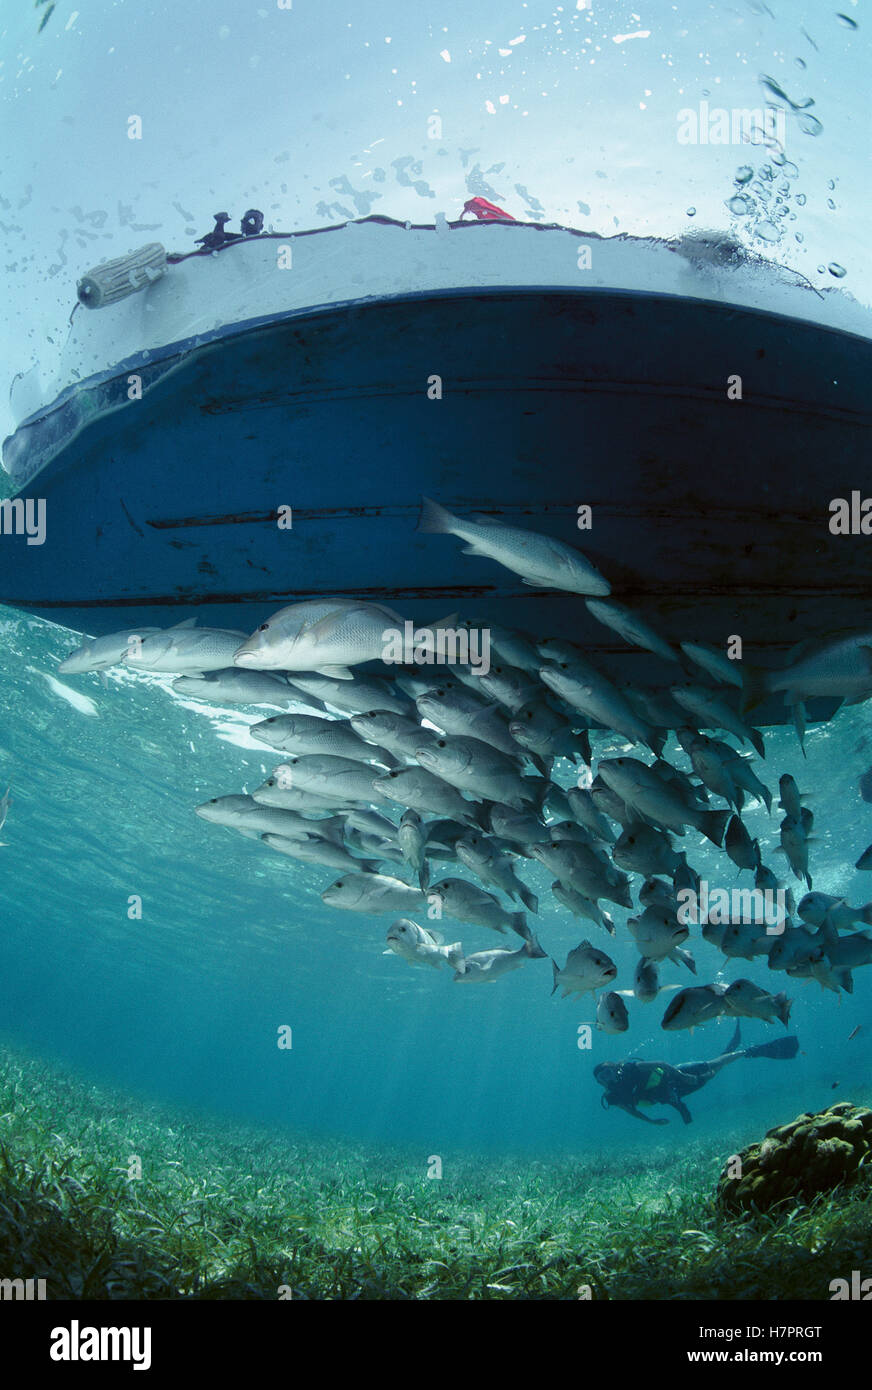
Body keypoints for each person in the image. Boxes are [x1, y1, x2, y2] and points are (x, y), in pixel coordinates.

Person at [593, 1023, 798, 1125]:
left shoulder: (631, 1068)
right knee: (712, 1074)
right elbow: (633, 1112)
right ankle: (734, 1053)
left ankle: (749, 1051)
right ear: (601, 1083)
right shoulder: (614, 1097)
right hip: (672, 1094)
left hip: (675, 1075)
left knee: (711, 1065)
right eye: (603, 1078)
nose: (608, 1078)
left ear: (615, 1067)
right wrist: (652, 1122)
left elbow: (661, 1064)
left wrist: (682, 1076)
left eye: (608, 1072)